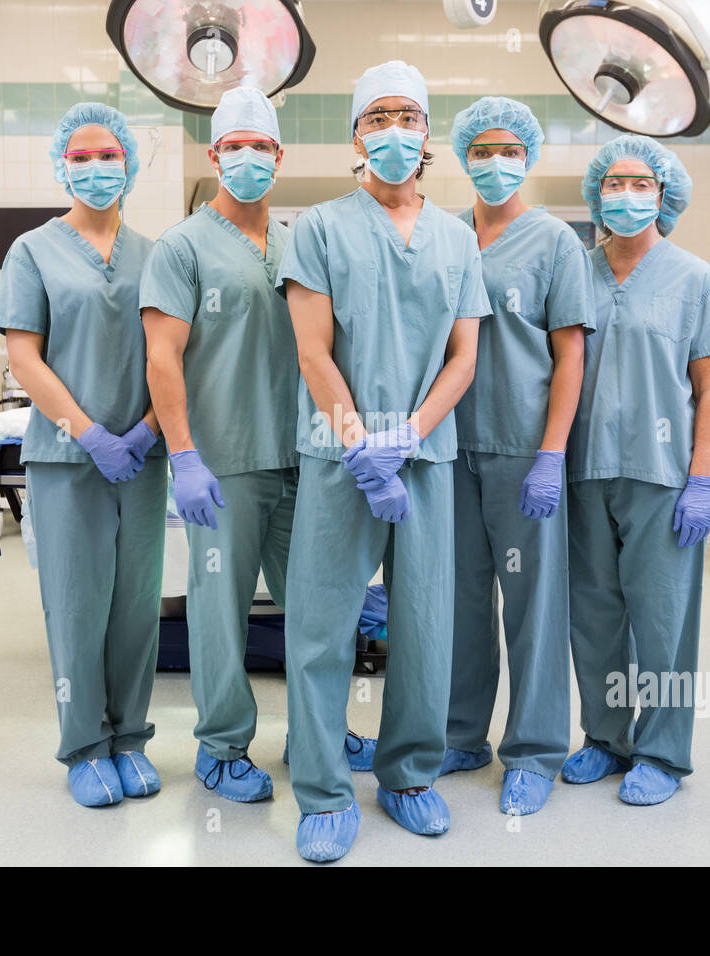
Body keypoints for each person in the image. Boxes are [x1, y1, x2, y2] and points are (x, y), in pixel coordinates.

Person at [277, 60, 491, 862]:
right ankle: (327, 791)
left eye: (408, 117)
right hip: (339, 458)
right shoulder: (321, 230)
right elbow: (312, 351)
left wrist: (409, 435)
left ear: (428, 135)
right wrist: (364, 444)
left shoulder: (455, 238)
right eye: (377, 119)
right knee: (322, 626)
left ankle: (408, 775)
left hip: (427, 458)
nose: (393, 132)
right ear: (356, 137)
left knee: (428, 625)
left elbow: (464, 357)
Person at [140, 87, 375, 805]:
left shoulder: (296, 241)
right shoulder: (182, 247)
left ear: (280, 157)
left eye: (261, 147)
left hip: (302, 459)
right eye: (234, 147)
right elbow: (162, 358)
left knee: (317, 607)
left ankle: (318, 734)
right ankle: (220, 746)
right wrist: (182, 455)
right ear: (214, 156)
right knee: (221, 612)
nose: (248, 158)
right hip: (224, 463)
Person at [0, 103, 166, 808]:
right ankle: (84, 747)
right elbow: (22, 354)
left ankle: (129, 738)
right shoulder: (33, 250)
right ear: (62, 166)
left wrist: (150, 430)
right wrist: (88, 432)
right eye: (82, 158)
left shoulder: (157, 255)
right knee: (76, 605)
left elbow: (176, 357)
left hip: (143, 458)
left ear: (129, 163)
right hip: (68, 460)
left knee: (136, 608)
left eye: (108, 156)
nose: (96, 169)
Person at [564, 134, 710, 806]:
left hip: (662, 476)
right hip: (586, 471)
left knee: (663, 618)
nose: (627, 196)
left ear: (664, 196)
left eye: (642, 185)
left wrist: (703, 481)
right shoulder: (575, 270)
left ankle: (663, 752)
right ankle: (605, 739)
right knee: (594, 613)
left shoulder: (693, 278)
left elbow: (709, 392)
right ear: (596, 196)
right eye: (614, 184)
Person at [438, 97, 593, 816]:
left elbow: (570, 356)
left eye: (508, 151)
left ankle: (532, 750)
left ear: (527, 157)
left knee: (533, 604)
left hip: (522, 449)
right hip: (449, 447)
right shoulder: (444, 236)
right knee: (460, 601)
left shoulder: (555, 242)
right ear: (463, 157)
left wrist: (550, 454)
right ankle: (461, 733)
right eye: (482, 151)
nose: (495, 163)